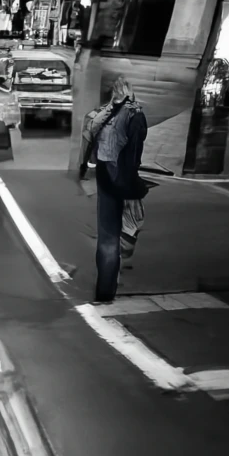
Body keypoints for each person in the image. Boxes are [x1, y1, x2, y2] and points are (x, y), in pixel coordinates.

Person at [78, 76, 149, 304]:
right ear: (129, 92)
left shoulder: (97, 115)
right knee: (130, 226)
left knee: (107, 238)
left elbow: (89, 145)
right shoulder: (135, 114)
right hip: (125, 180)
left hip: (104, 177)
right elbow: (136, 147)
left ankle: (104, 292)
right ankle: (121, 260)